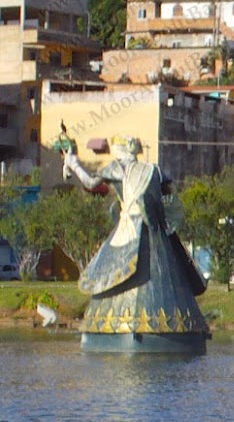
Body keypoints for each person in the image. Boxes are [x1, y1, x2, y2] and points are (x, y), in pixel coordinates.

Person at [62, 135, 209, 341]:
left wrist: (73, 163)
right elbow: (167, 195)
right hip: (157, 233)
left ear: (119, 150)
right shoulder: (153, 170)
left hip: (130, 229)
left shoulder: (115, 168)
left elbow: (90, 183)